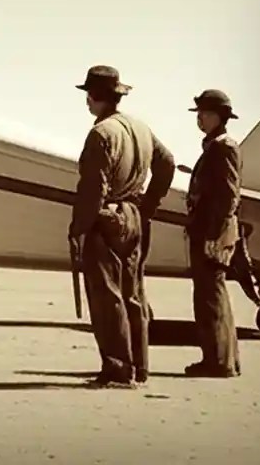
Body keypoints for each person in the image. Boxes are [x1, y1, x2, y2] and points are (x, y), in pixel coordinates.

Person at [68, 65, 175, 388]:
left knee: (106, 296)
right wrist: (149, 204)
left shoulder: (101, 134)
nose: (87, 101)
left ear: (95, 96)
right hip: (134, 214)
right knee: (133, 294)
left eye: (89, 94)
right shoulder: (139, 127)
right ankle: (140, 367)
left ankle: (117, 368)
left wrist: (79, 227)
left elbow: (93, 188)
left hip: (107, 217)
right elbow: (167, 162)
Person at [183, 89, 243, 378]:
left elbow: (228, 197)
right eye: (199, 114)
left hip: (213, 232)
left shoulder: (223, 147)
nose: (200, 119)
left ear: (220, 117)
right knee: (212, 294)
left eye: (205, 114)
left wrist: (213, 235)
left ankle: (217, 362)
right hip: (211, 229)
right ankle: (225, 360)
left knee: (210, 296)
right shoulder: (216, 145)